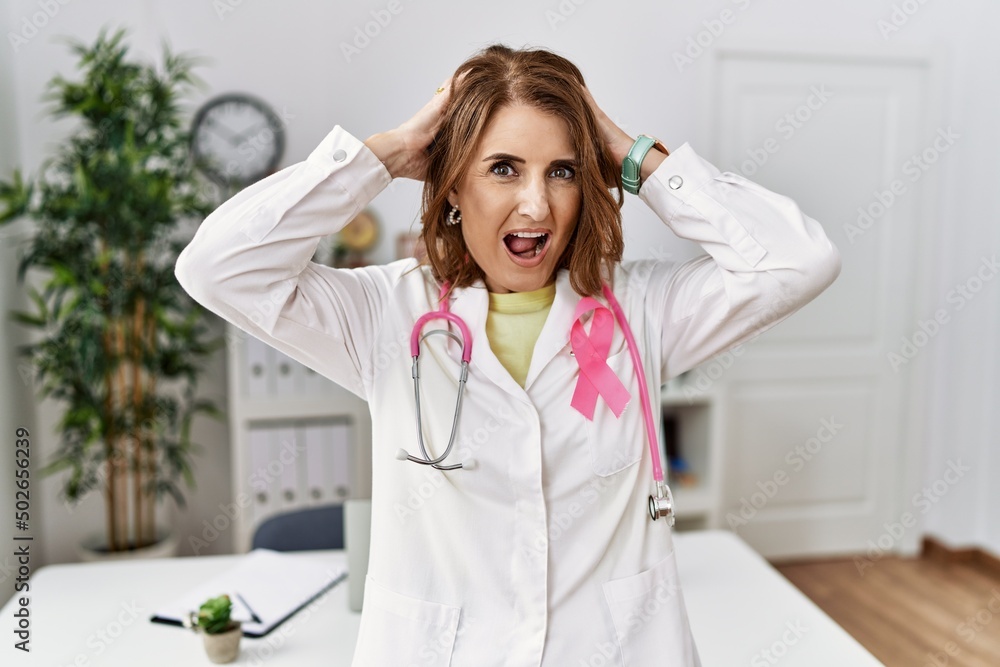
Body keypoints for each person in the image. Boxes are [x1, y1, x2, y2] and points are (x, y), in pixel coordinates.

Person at [175, 44, 840, 666]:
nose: (536, 203)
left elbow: (799, 260)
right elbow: (217, 267)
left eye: (564, 171)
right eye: (502, 168)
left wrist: (633, 156)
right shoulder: (385, 314)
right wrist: (384, 155)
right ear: (454, 187)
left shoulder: (644, 311)